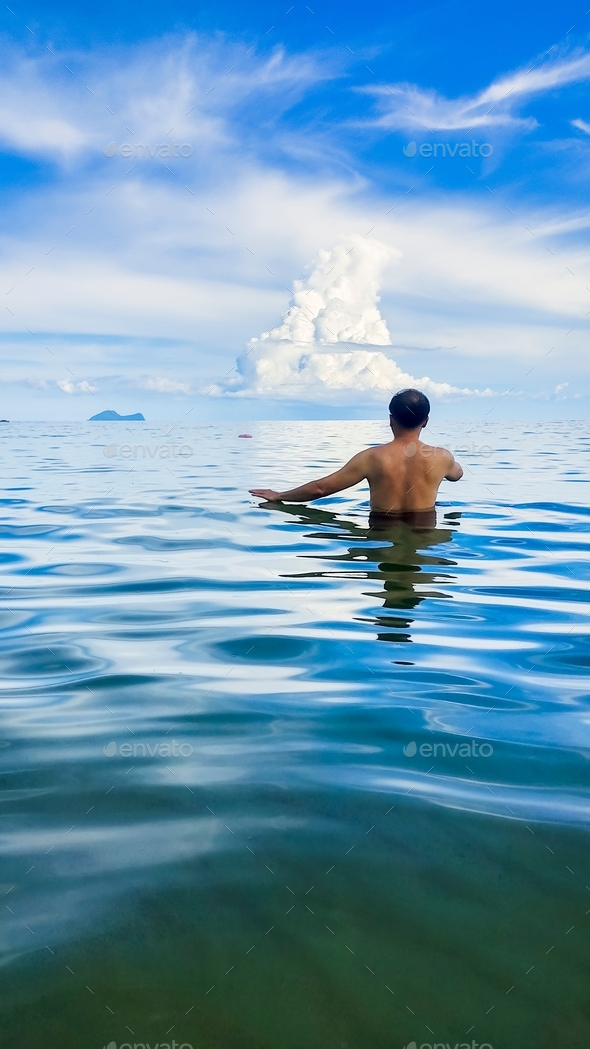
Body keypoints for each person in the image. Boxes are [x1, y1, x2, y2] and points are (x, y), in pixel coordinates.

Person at [249, 388, 463, 519]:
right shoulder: (442, 458)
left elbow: (321, 489)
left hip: (380, 532)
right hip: (426, 533)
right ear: (426, 421)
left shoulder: (371, 458)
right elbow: (457, 475)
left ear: (391, 419)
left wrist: (279, 496)